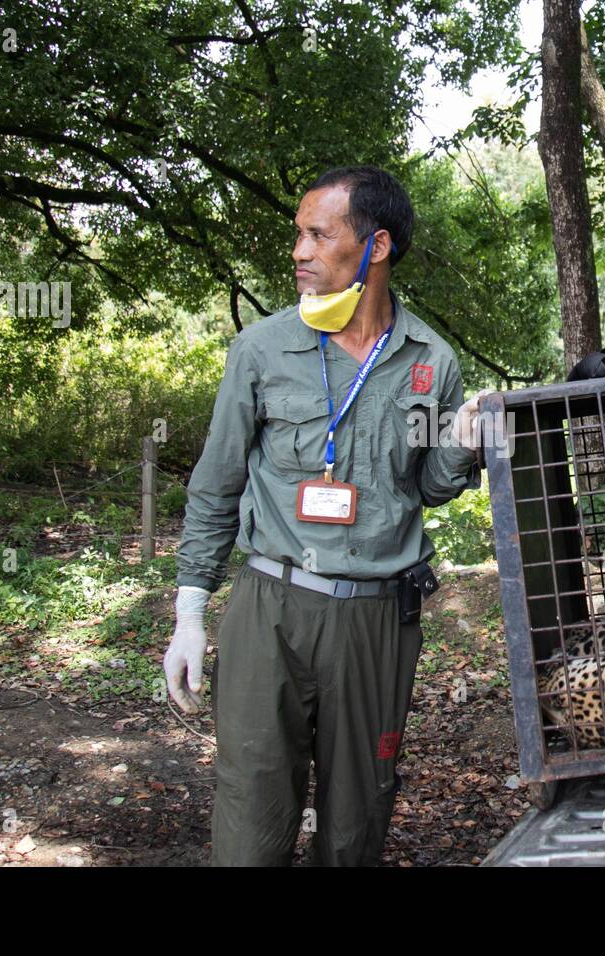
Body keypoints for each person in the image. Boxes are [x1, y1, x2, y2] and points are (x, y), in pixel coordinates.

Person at [163, 165, 488, 866]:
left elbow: (428, 489)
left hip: (375, 619)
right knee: (250, 815)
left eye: (318, 234)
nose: (299, 251)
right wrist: (191, 613)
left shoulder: (430, 361)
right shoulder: (262, 349)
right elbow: (215, 485)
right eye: (298, 234)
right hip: (269, 608)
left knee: (357, 820)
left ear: (374, 247)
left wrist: (461, 444)